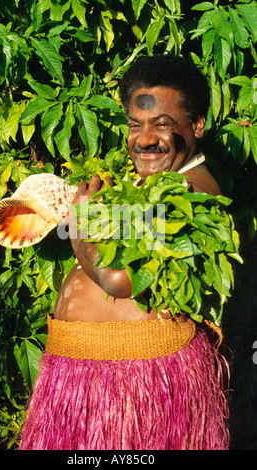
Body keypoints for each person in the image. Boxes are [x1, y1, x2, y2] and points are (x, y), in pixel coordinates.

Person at [19, 54, 230, 450]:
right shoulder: (152, 184)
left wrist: (79, 226)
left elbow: (120, 282)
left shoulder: (192, 193)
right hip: (86, 375)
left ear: (197, 125)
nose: (145, 138)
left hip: (135, 387)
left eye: (163, 125)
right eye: (137, 125)